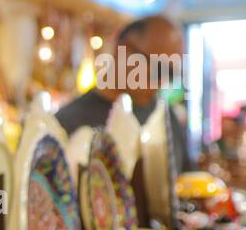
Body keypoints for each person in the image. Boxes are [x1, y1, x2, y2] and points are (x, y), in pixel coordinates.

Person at [56, 15, 190, 169]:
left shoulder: (165, 118)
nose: (162, 82)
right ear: (124, 50)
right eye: (159, 70)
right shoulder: (67, 123)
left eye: (170, 73)